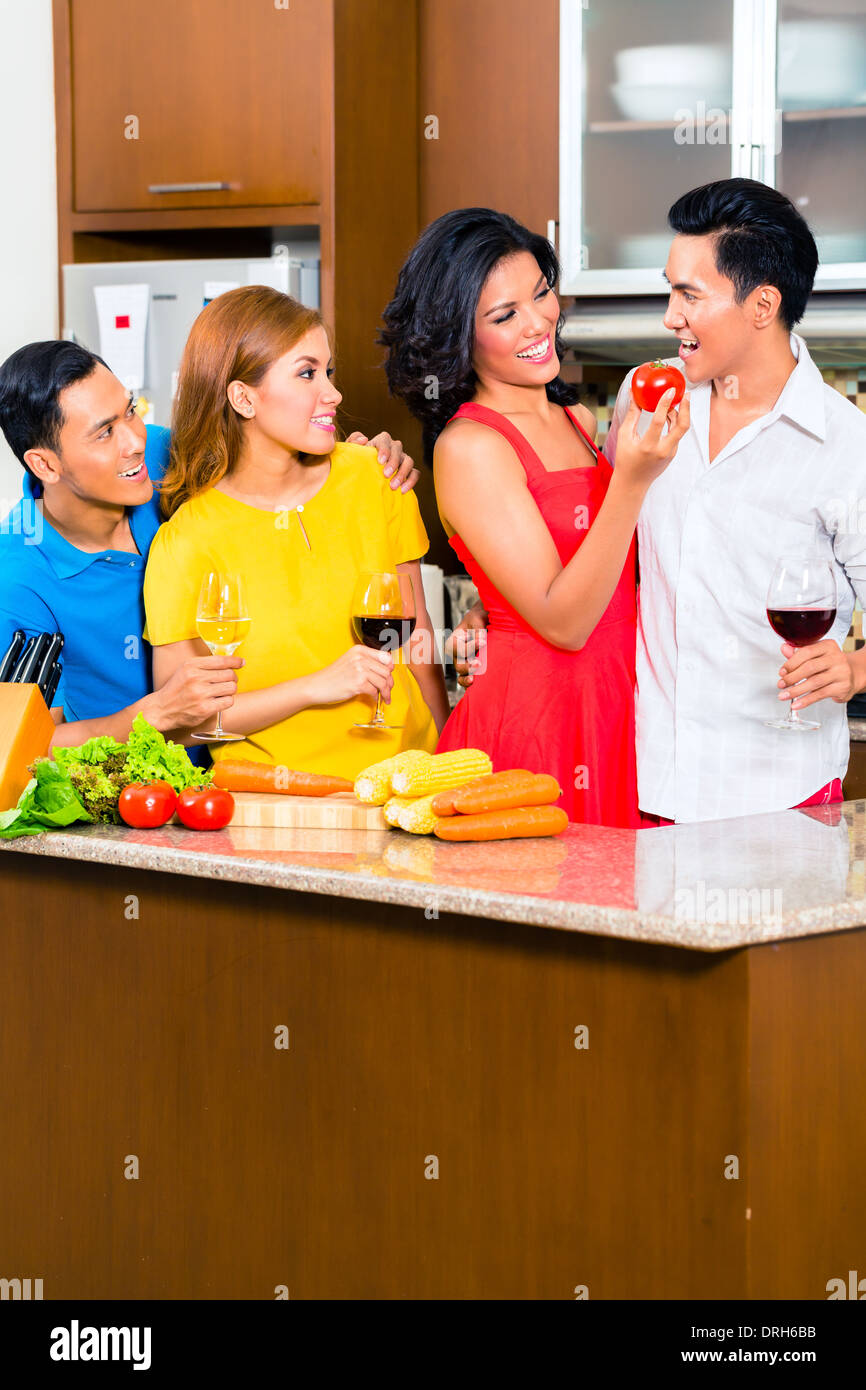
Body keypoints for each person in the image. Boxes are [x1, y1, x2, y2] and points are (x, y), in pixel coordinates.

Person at [453, 179, 866, 824]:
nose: (670, 316)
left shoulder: (846, 446)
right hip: (639, 780)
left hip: (780, 792)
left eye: (688, 296)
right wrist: (494, 602)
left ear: (762, 306)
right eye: (669, 290)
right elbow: (603, 553)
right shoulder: (644, 399)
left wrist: (855, 669)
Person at [379, 208, 689, 826]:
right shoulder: (470, 446)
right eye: (504, 315)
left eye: (541, 293)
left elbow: (605, 569)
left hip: (616, 709)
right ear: (457, 338)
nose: (538, 321)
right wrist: (631, 481)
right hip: (536, 723)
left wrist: (486, 611)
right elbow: (565, 623)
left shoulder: (575, 420)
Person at [0, 339, 421, 752]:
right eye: (104, 433)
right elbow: (29, 743)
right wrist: (157, 713)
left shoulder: (169, 453)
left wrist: (362, 460)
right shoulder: (16, 576)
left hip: (242, 764)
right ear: (44, 464)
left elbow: (277, 456)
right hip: (135, 795)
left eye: (129, 411)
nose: (134, 442)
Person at [143, 286, 449, 778]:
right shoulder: (186, 543)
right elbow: (183, 723)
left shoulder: (376, 477)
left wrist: (447, 751)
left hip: (405, 782)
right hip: (276, 805)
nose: (333, 393)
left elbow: (417, 642)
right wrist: (317, 686)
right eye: (307, 373)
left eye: (328, 371)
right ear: (243, 397)